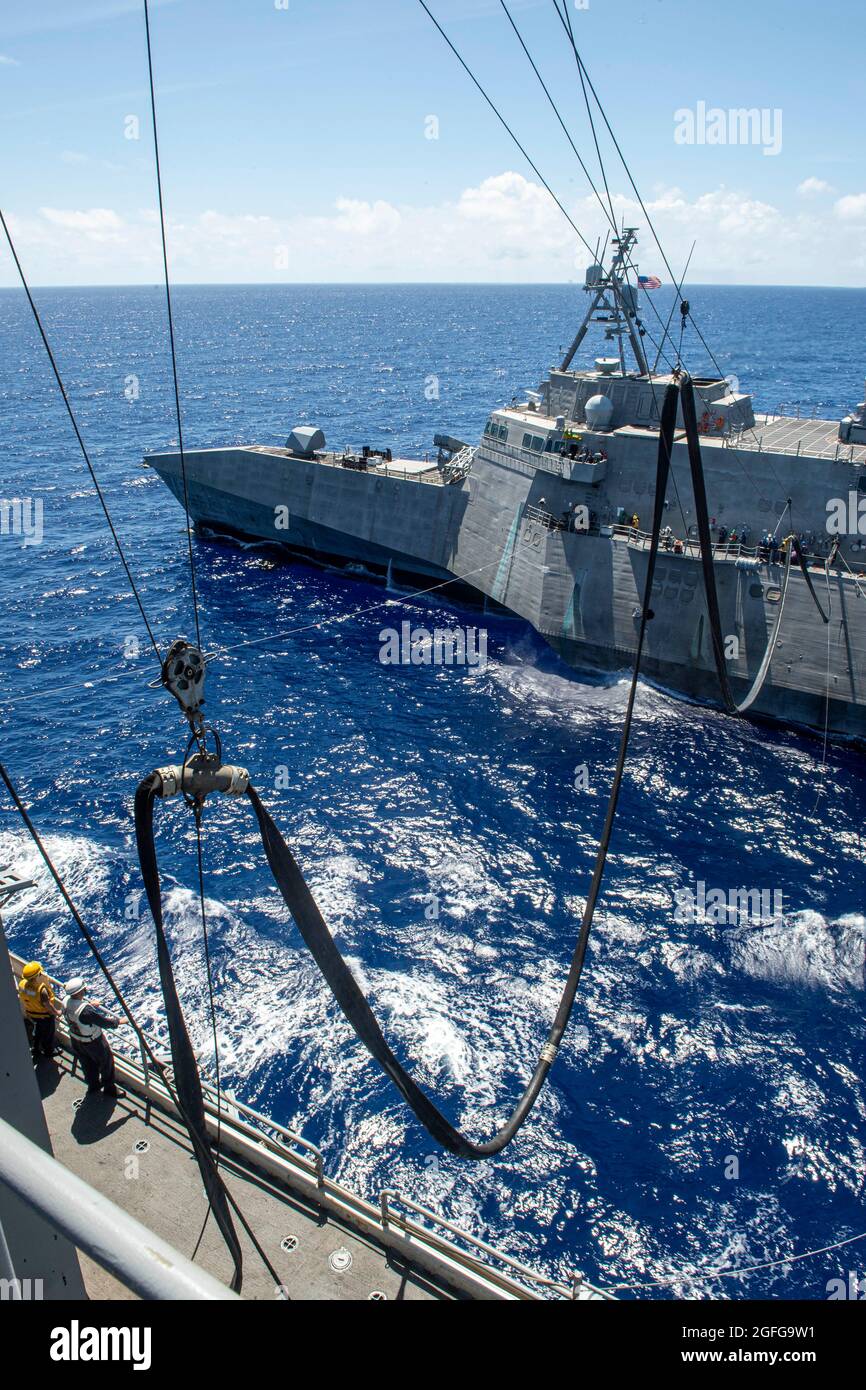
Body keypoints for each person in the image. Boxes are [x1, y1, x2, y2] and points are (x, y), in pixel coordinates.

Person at [63, 977, 124, 1097]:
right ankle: (110, 1089)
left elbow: (75, 1010)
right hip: (94, 1043)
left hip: (76, 1040)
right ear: (81, 992)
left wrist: (89, 1005)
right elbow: (104, 1023)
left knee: (87, 1064)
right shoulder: (86, 1011)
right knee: (106, 1064)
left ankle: (93, 1085)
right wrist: (120, 1021)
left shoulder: (65, 1001)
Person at [18, 960, 60, 1061]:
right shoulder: (41, 989)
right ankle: (49, 1051)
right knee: (48, 1034)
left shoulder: (22, 984)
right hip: (44, 1016)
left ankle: (35, 1049)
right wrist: (57, 1012)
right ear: (38, 974)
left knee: (37, 1032)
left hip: (32, 1014)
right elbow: (47, 1004)